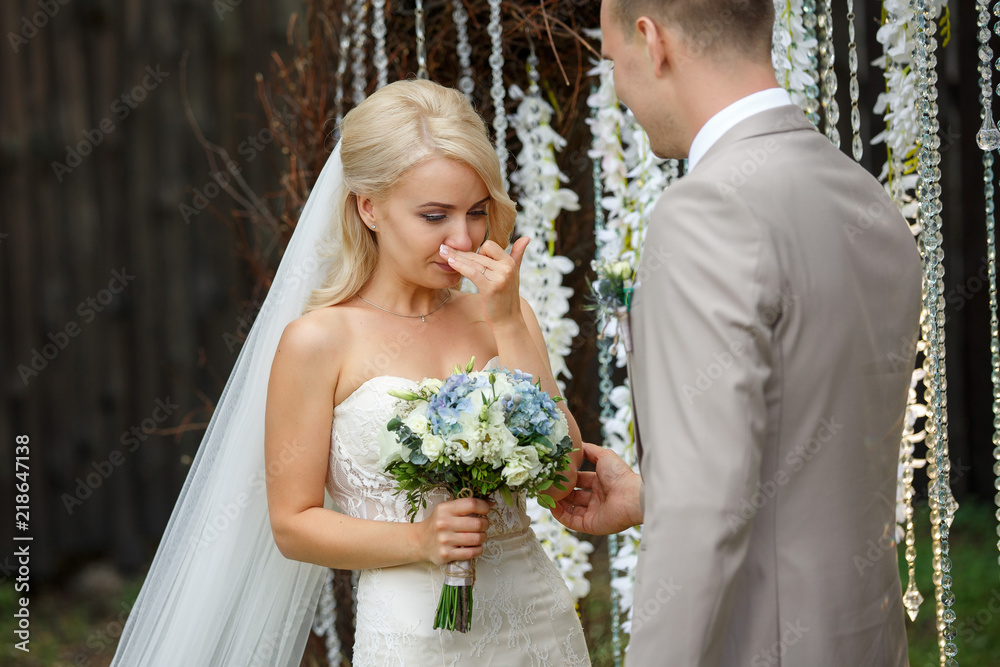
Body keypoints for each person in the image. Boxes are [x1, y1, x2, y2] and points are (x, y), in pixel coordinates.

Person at [111, 79, 589, 666]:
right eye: (434, 215)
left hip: (538, 624)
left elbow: (562, 480)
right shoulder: (318, 341)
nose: (462, 239)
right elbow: (293, 525)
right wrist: (419, 539)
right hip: (413, 635)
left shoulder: (504, 317)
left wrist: (510, 322)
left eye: (476, 212)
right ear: (369, 207)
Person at [553, 1, 920, 666]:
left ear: (651, 42)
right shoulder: (866, 195)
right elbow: (811, 446)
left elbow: (701, 520)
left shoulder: (707, 210)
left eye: (612, 63)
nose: (621, 92)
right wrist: (656, 492)